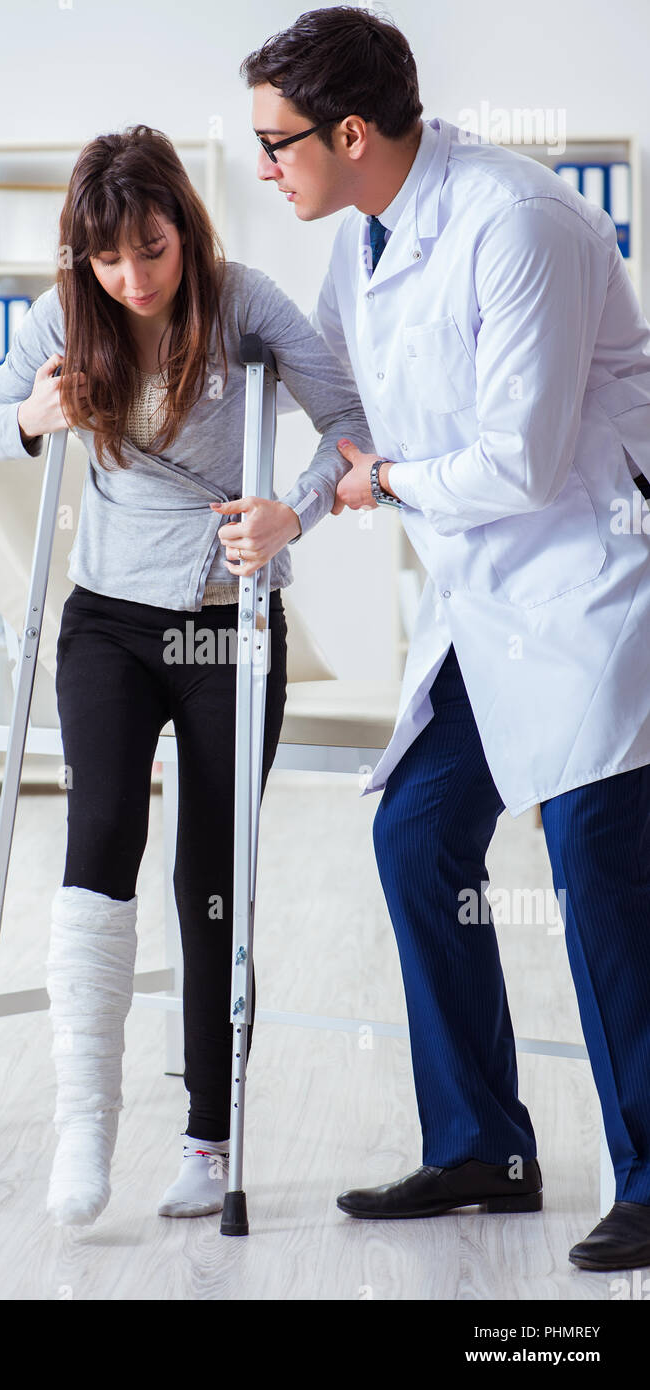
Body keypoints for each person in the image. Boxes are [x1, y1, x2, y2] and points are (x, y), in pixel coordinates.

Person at [240, 6, 650, 1271]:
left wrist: (375, 486)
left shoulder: (515, 223)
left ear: (349, 131)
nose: (267, 168)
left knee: (599, 868)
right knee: (419, 835)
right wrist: (296, 506)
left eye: (278, 144)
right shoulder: (363, 245)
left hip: (589, 583)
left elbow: (522, 463)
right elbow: (350, 413)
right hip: (484, 599)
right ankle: (484, 1142)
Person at [0, 124, 371, 1227]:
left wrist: (292, 510)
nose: (135, 280)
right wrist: (28, 415)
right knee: (98, 836)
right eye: (111, 260)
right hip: (108, 621)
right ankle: (82, 1129)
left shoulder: (245, 302)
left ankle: (207, 1139)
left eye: (153, 249)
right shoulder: (66, 313)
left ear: (183, 229)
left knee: (210, 876)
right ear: (84, 256)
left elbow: (352, 427)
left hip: (226, 618)